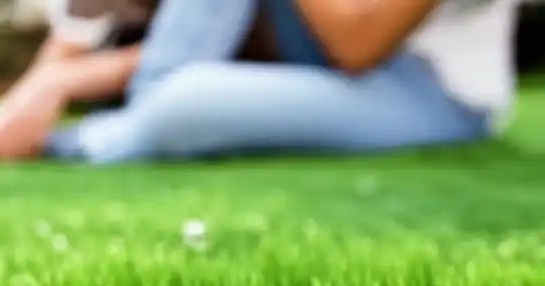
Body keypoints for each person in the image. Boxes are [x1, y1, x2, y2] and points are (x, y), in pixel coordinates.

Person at [37, 0, 523, 163]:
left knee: (185, 104)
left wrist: (69, 82)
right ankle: (140, 123)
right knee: (169, 102)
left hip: (435, 92)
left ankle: (111, 137)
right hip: (337, 49)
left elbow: (358, 41)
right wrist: (57, 81)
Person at [0, 0, 273, 158]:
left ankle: (78, 145)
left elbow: (176, 63)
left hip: (288, 76)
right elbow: (33, 90)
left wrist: (68, 80)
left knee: (175, 106)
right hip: (196, 98)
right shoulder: (89, 5)